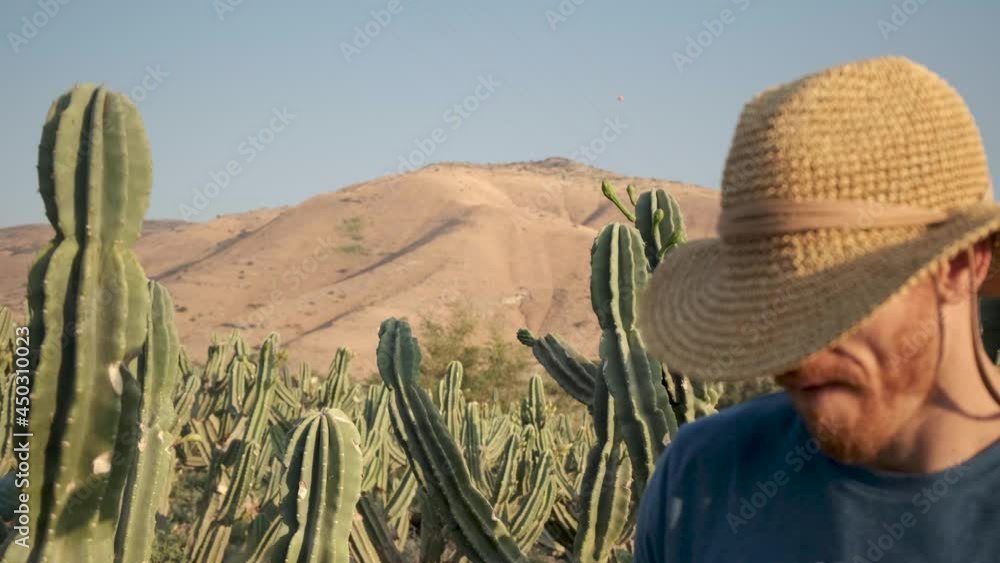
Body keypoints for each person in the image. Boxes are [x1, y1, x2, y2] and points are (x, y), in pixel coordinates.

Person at [633, 56, 1000, 562]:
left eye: (834, 303)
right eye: (769, 308)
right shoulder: (697, 481)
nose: (793, 355)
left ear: (962, 266)